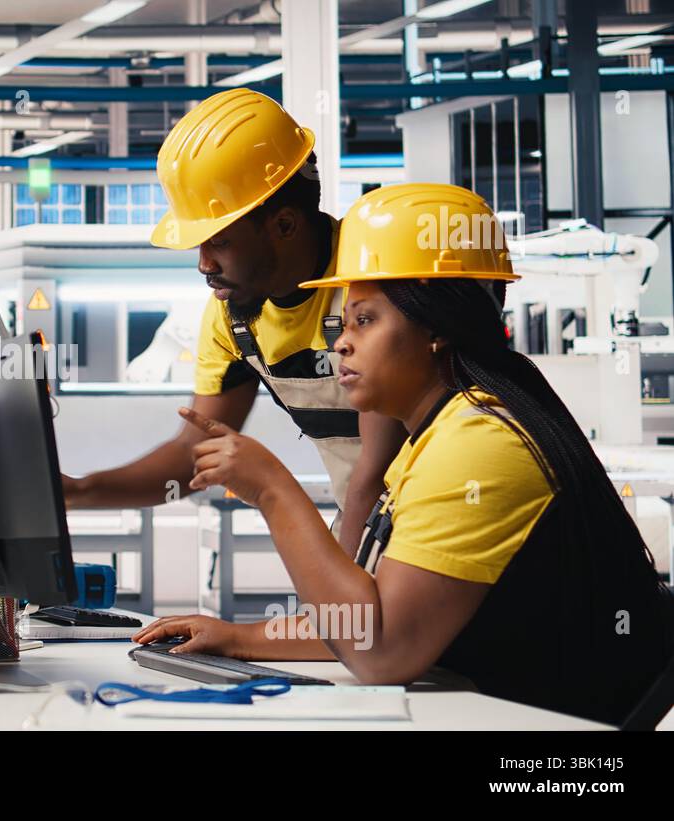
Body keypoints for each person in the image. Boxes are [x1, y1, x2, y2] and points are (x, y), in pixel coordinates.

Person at [132, 183, 674, 724]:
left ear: (434, 325)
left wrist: (273, 490)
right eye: (344, 323)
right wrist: (235, 638)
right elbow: (377, 613)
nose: (341, 344)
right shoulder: (439, 435)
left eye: (364, 320)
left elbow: (382, 648)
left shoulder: (479, 442)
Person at [64, 88, 407, 554]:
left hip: (432, 530)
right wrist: (77, 492)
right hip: (370, 530)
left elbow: (375, 464)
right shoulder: (234, 319)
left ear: (284, 226)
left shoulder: (368, 282)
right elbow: (193, 454)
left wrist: (342, 597)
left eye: (218, 242)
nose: (203, 264)